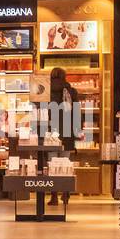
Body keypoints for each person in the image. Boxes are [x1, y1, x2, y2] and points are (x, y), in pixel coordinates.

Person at [45, 67, 80, 205]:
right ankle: (65, 194)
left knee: (52, 165)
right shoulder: (71, 91)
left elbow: (42, 111)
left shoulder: (45, 91)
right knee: (65, 164)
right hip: (67, 133)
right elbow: (76, 113)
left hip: (51, 133)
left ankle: (53, 196)